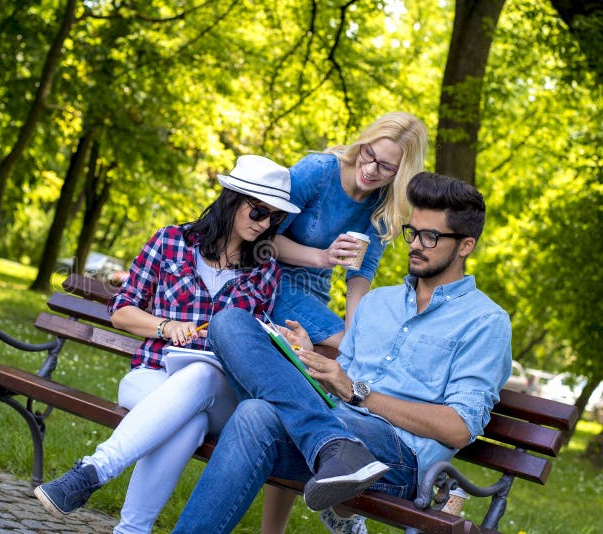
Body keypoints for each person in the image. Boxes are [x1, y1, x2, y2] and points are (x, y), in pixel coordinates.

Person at [171, 172, 513, 533]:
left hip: (397, 456)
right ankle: (333, 448)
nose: (415, 244)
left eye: (431, 237)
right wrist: (304, 359)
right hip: (331, 424)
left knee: (258, 412)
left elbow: (459, 428)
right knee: (229, 324)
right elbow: (340, 381)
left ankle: (337, 448)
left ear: (465, 245)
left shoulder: (485, 322)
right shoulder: (378, 303)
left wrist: (358, 393)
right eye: (413, 233)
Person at [33, 155, 301, 534]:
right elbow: (121, 310)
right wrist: (164, 325)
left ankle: (94, 469)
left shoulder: (264, 269)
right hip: (151, 375)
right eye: (259, 211)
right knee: (187, 425)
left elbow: (255, 341)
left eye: (275, 218)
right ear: (231, 199)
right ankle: (130, 530)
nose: (265, 224)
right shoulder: (170, 242)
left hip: (222, 392)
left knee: (204, 374)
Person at [263, 111, 427, 533]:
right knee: (334, 366)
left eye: (385, 167)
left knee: (326, 378)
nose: (369, 170)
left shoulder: (381, 209)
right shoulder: (318, 171)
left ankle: (331, 493)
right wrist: (320, 257)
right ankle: (340, 495)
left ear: (400, 173)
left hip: (311, 297)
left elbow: (360, 279)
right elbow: (260, 235)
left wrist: (357, 340)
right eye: (368, 155)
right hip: (267, 279)